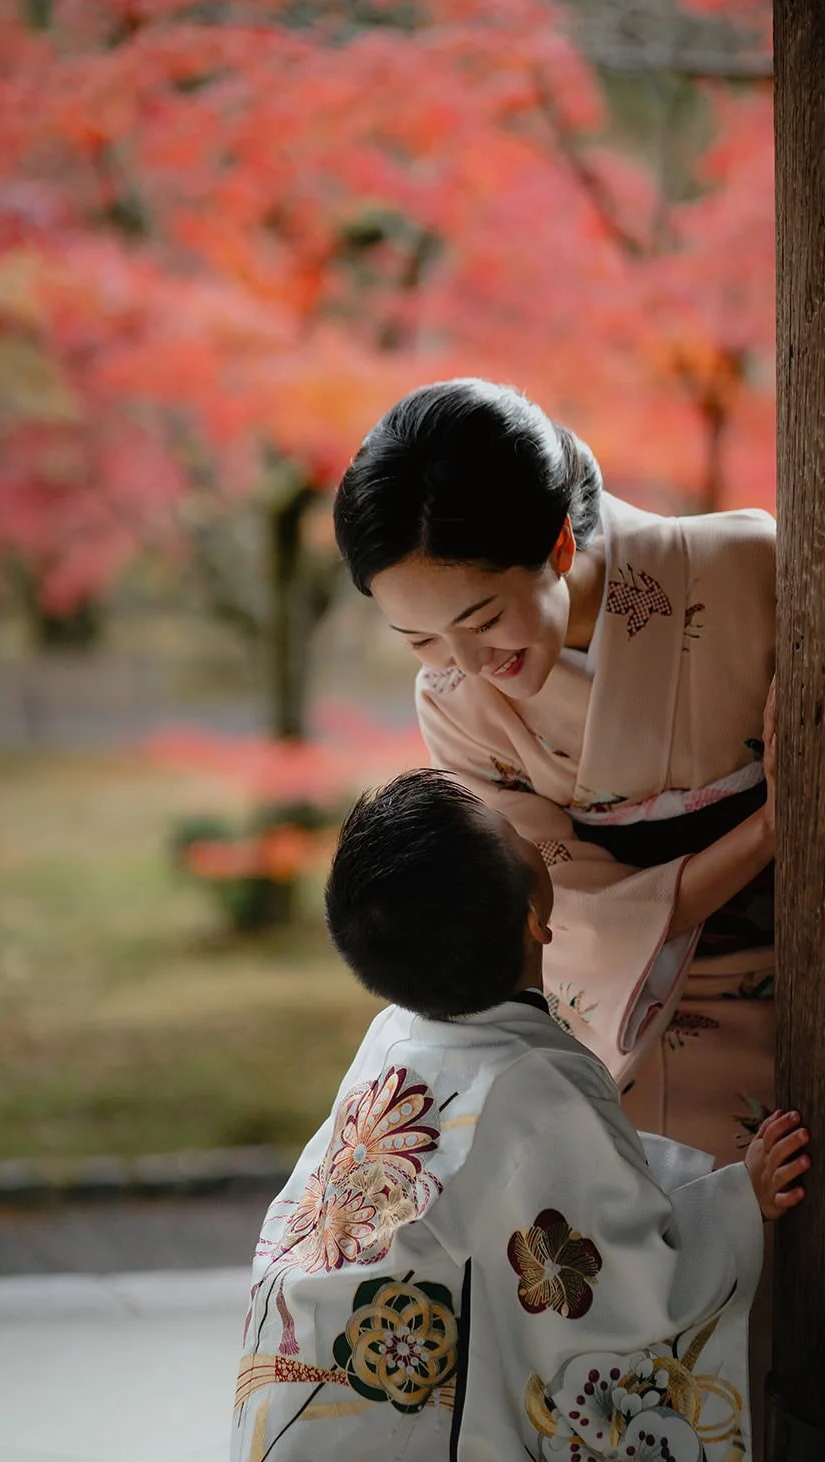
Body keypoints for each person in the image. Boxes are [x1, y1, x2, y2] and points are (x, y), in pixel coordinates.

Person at [219, 770, 808, 1462]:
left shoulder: (394, 1038)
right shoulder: (532, 1085)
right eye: (504, 826)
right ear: (537, 917)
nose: (519, 825)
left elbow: (543, 1189)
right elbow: (629, 1288)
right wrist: (735, 1204)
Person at [333, 379, 777, 1166]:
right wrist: (773, 829)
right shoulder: (452, 702)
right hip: (638, 1012)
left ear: (559, 547)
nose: (466, 665)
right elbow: (559, 907)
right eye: (420, 640)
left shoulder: (745, 571)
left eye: (483, 619)